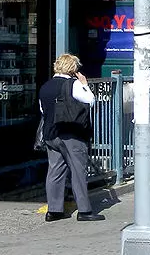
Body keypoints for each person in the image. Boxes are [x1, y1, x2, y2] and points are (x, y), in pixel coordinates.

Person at [38, 53, 104, 222]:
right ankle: (84, 211)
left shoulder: (45, 86)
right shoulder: (73, 85)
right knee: (78, 170)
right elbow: (90, 100)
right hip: (71, 134)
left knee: (55, 171)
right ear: (73, 69)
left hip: (50, 134)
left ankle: (54, 211)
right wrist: (85, 85)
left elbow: (43, 111)